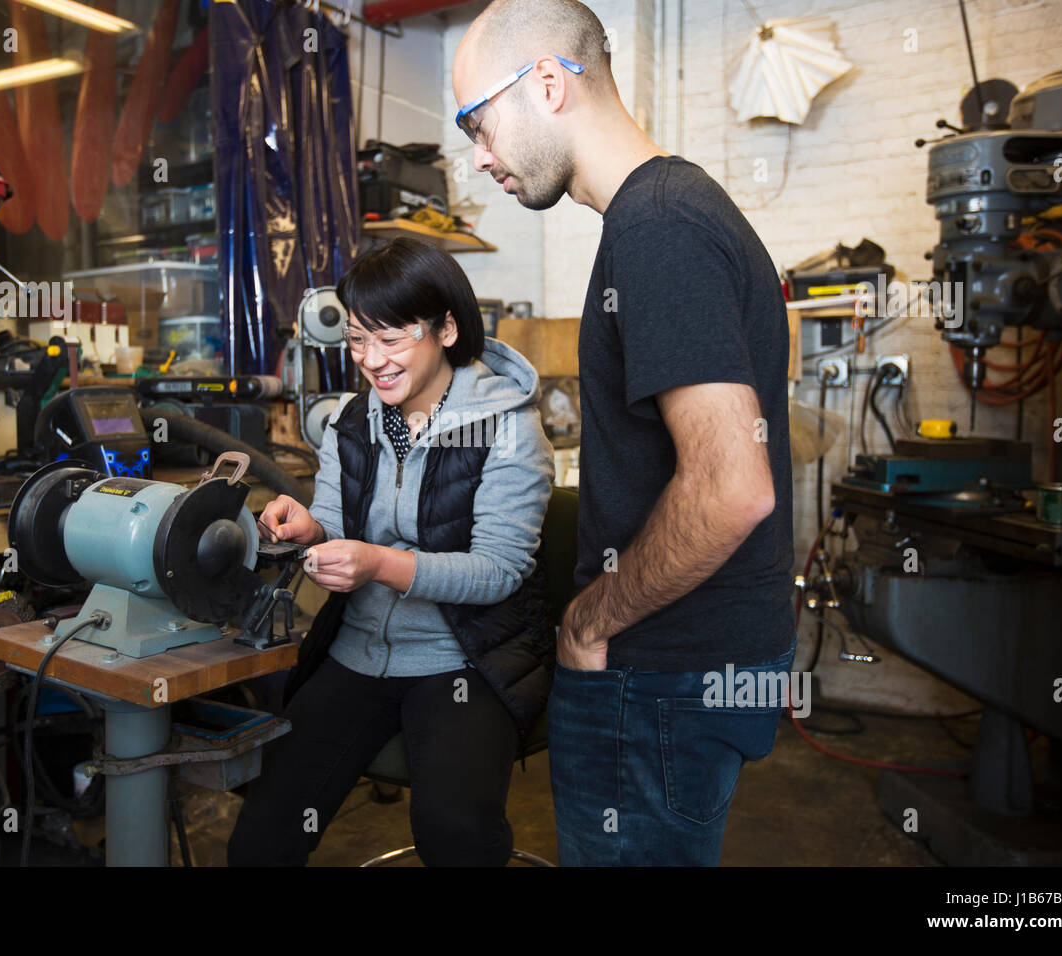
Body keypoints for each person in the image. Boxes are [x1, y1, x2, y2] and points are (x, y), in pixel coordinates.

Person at [453, 0, 796, 865]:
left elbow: (732, 485)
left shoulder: (658, 226)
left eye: (476, 120)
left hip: (659, 675)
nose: (477, 153)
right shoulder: (665, 213)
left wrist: (593, 620)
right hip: (691, 667)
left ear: (546, 83)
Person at [227, 237, 555, 866]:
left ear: (446, 329)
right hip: (357, 652)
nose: (373, 361)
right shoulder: (352, 421)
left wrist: (377, 563)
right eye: (357, 340)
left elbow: (499, 571)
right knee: (261, 837)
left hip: (464, 659)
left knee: (454, 834)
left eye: (393, 339)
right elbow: (332, 517)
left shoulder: (508, 428)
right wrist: (308, 528)